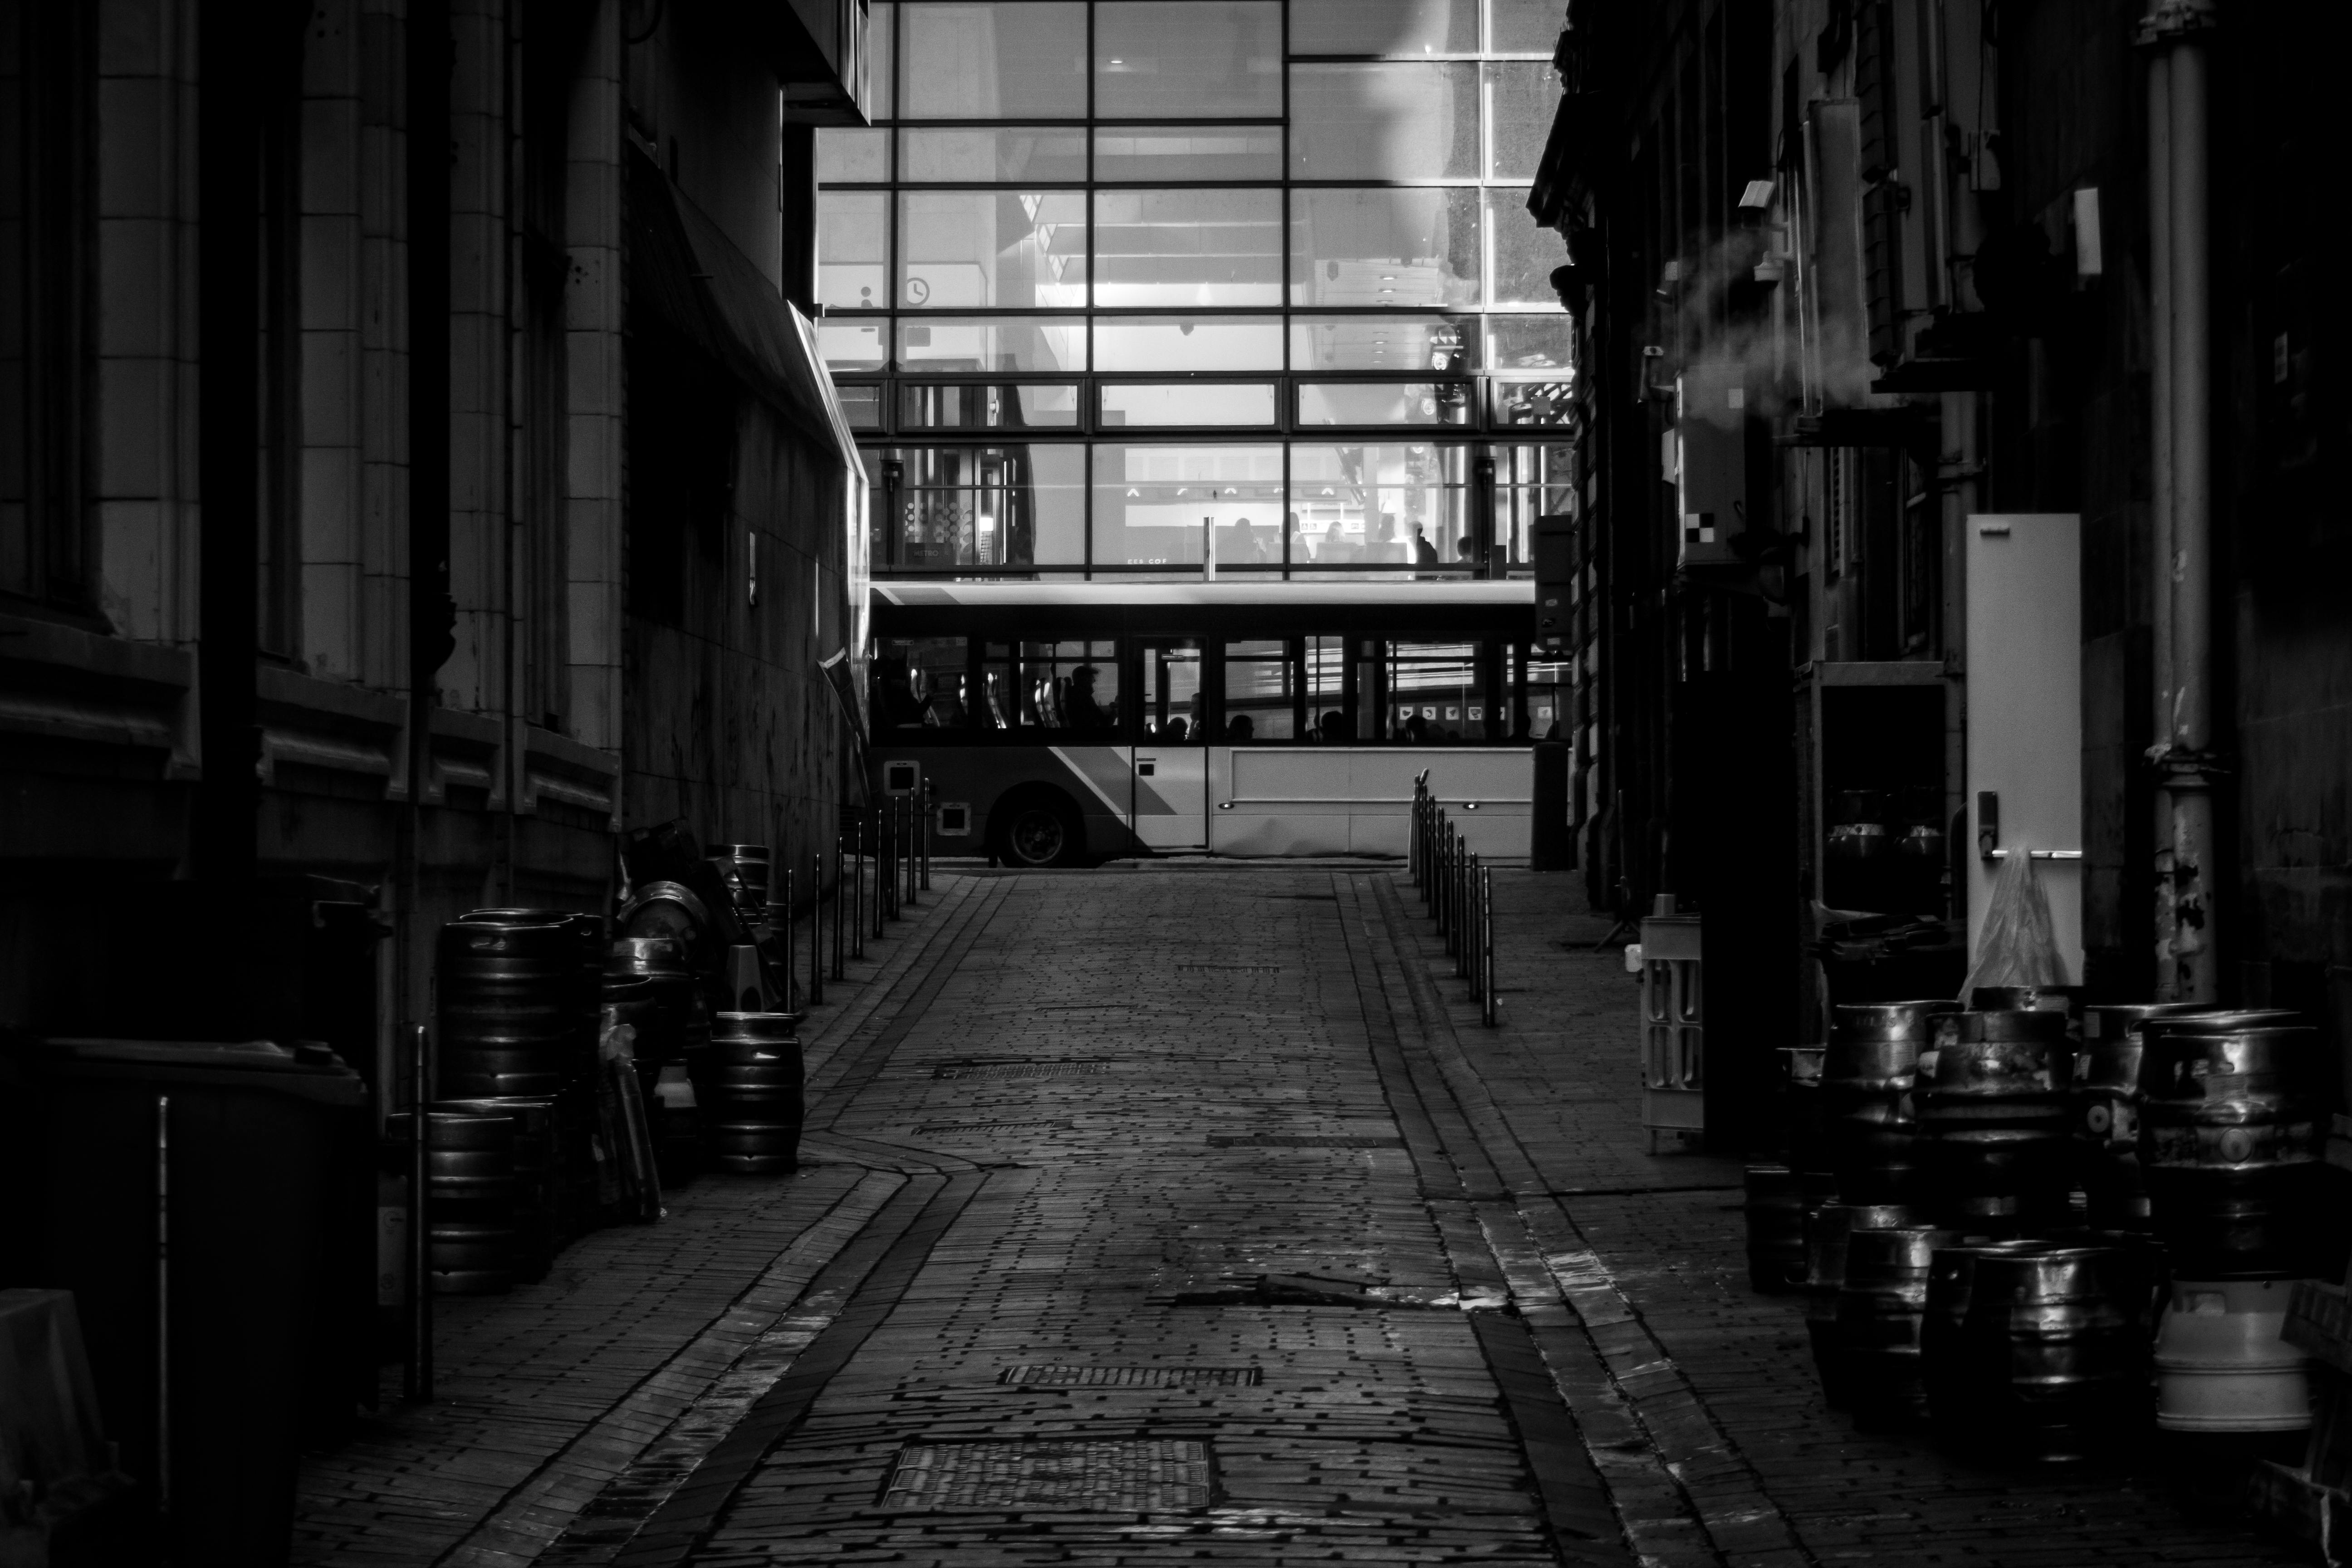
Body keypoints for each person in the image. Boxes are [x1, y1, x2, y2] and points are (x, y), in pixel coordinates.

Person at [1066, 665, 1111, 730]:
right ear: (1085, 679)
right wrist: (1115, 713)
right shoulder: (1084, 698)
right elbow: (1104, 722)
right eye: (1092, 677)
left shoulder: (1073, 694)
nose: (1094, 680)